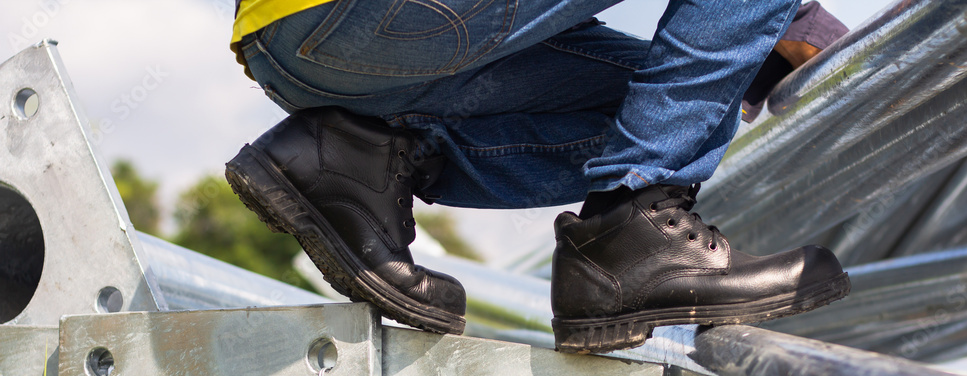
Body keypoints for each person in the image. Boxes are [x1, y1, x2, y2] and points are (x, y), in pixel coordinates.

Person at [225, 0, 850, 353]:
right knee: (668, 125)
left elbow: (685, 96)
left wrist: (751, 41)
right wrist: (798, 19)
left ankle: (363, 156)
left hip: (319, 43)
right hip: (359, 18)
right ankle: (633, 231)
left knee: (657, 117)